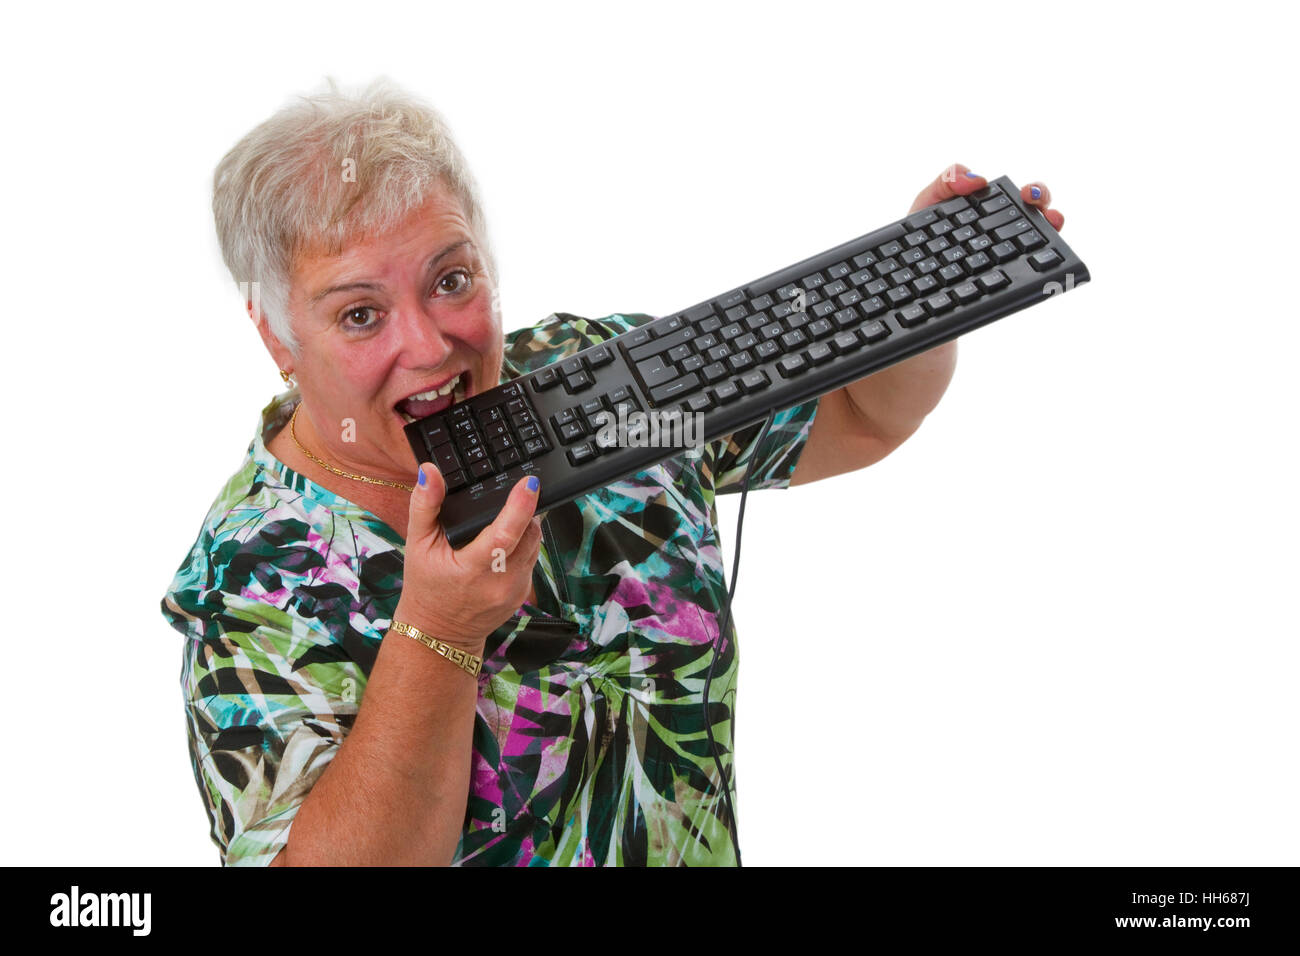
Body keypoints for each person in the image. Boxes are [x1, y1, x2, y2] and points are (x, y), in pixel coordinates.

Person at [160, 79, 1066, 866]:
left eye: (451, 280)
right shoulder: (252, 580)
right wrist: (438, 630)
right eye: (360, 315)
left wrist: (913, 288)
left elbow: (861, 417)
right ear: (276, 335)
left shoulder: (601, 377)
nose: (430, 346)